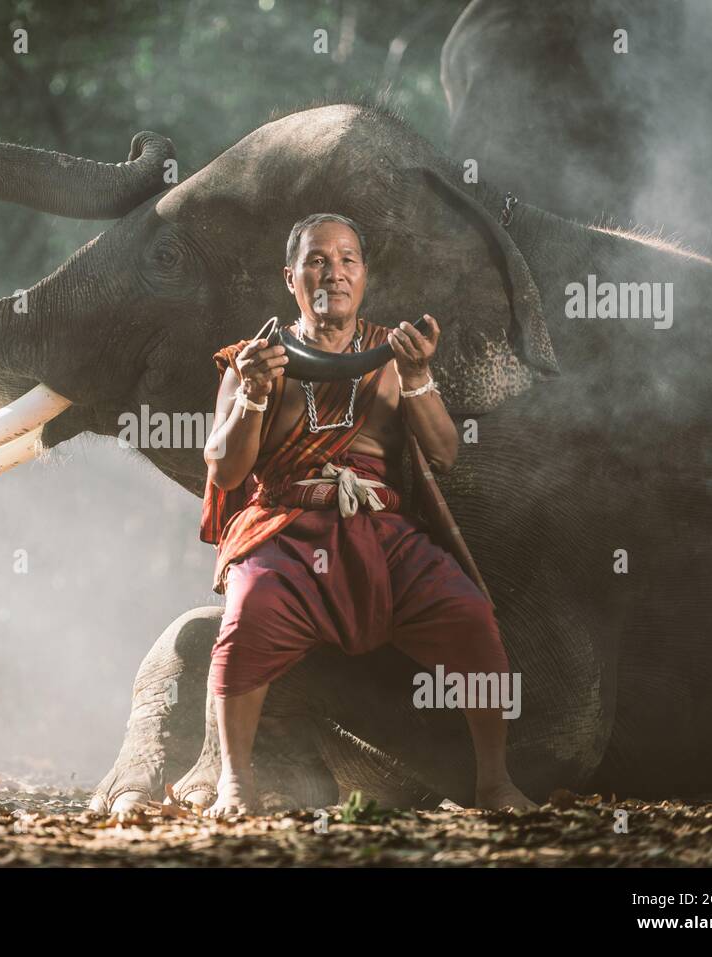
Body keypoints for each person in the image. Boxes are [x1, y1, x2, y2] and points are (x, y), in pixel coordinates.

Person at [200, 212, 536, 816]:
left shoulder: (393, 353)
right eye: (317, 260)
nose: (334, 271)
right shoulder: (252, 360)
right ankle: (235, 780)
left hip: (382, 533)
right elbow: (225, 471)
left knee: (468, 614)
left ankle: (494, 781)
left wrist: (417, 376)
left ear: (365, 275)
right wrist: (251, 393)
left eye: (347, 259)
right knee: (247, 615)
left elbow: (446, 451)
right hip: (286, 531)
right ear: (291, 276)